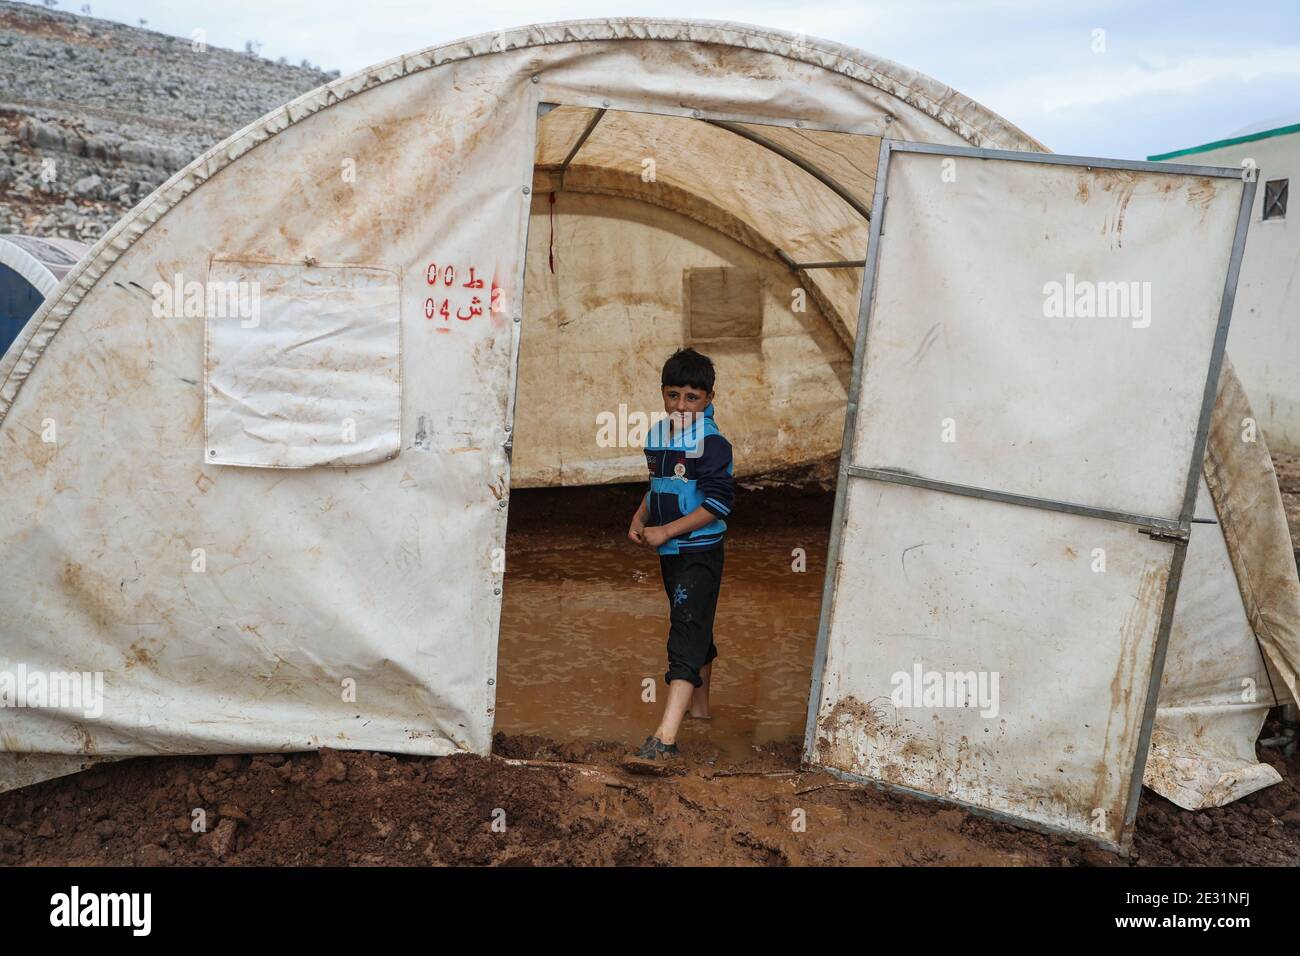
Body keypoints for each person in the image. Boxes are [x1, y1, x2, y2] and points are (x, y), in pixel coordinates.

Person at [626, 347, 735, 764]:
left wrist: (667, 530)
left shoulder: (712, 444)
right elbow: (657, 485)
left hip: (699, 552)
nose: (681, 405)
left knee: (685, 631)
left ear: (709, 399)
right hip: (669, 552)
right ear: (662, 394)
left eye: (692, 397)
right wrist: (639, 517)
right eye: (673, 395)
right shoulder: (657, 434)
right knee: (695, 624)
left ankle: (665, 739)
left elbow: (720, 505)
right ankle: (702, 716)